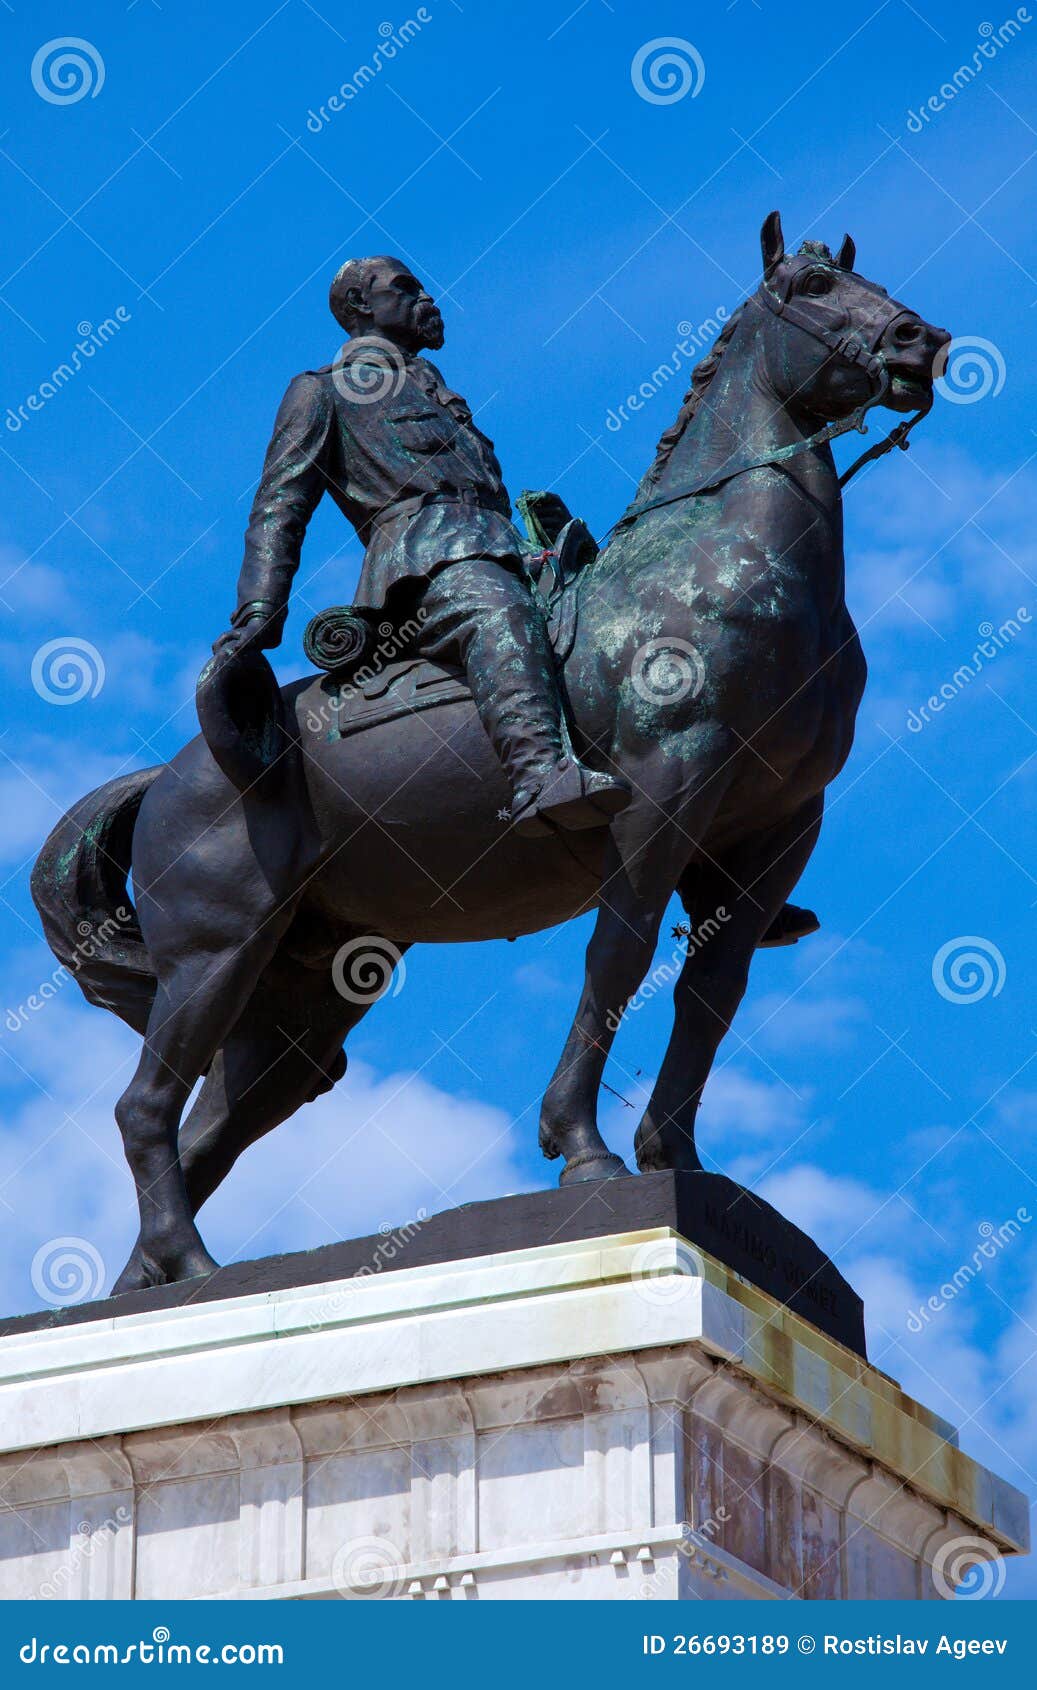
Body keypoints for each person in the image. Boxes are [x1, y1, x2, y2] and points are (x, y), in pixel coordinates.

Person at [216, 256, 630, 837]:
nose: (427, 299)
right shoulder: (321, 392)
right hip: (422, 567)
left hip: (500, 546)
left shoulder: (440, 392)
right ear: (361, 307)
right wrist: (260, 611)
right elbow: (279, 505)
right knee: (497, 614)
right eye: (405, 288)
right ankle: (539, 774)